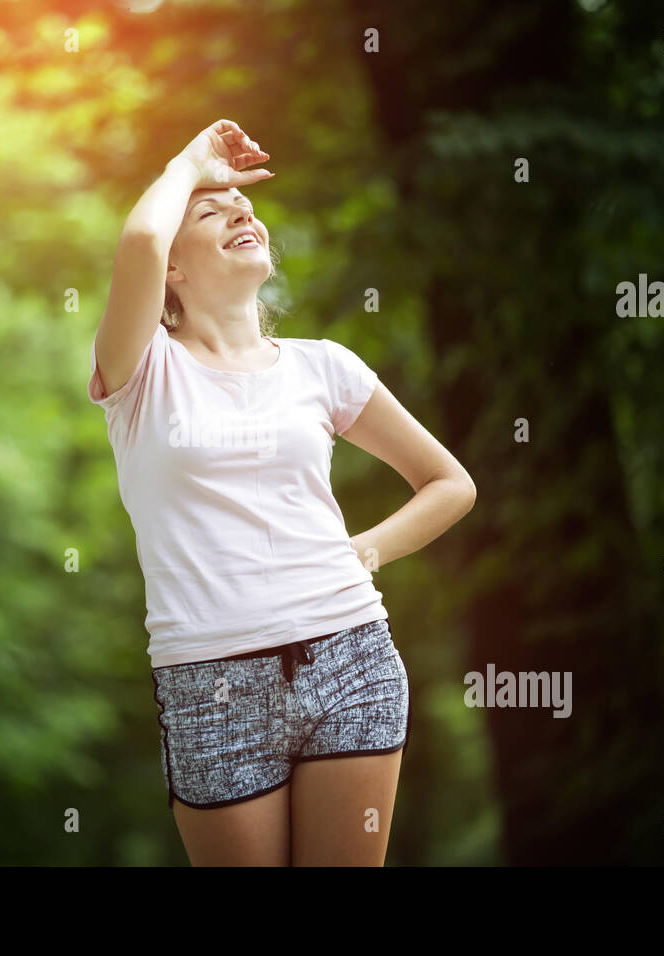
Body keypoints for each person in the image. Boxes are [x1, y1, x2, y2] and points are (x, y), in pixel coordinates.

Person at [87, 119, 477, 865]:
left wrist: (362, 551)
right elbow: (139, 241)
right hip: (211, 681)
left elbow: (449, 483)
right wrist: (191, 162)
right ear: (173, 271)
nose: (243, 212)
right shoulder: (140, 374)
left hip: (351, 656)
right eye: (213, 211)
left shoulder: (323, 367)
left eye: (246, 207)